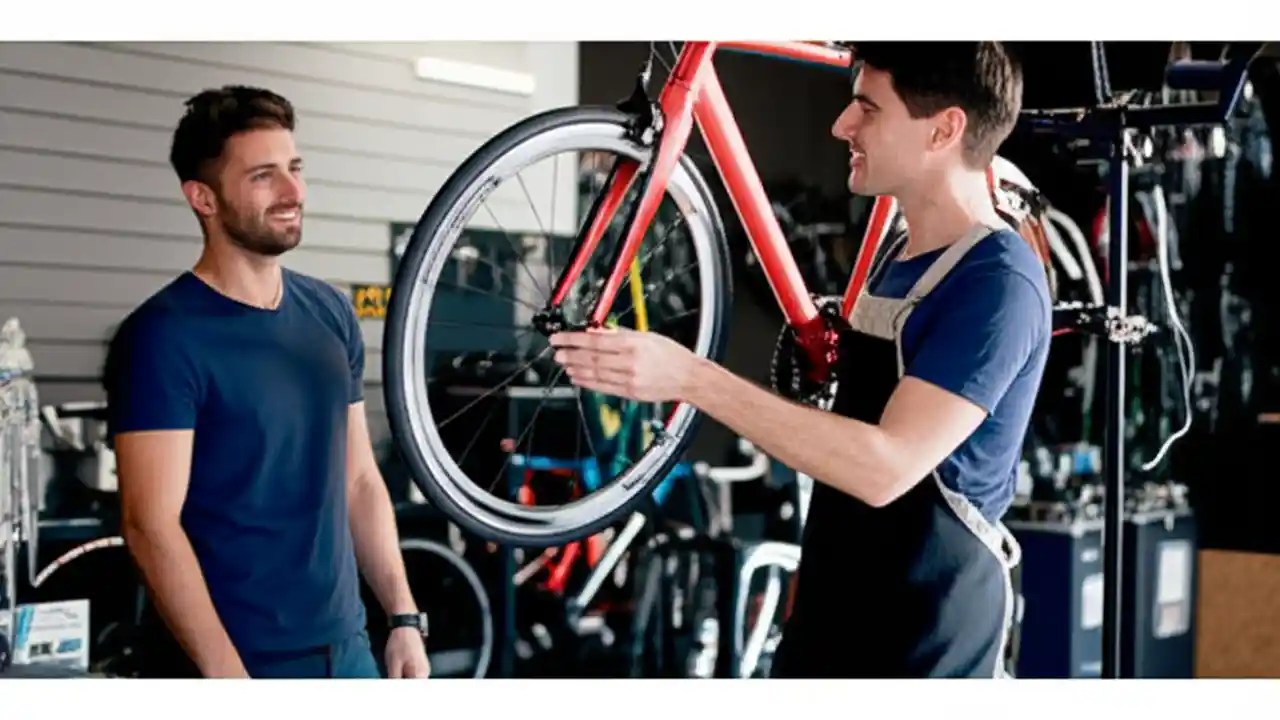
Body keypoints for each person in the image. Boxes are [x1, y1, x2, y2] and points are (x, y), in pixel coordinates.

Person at [549, 42, 1050, 678]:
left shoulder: (997, 282)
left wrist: (692, 378)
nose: (842, 125)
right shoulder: (893, 258)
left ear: (944, 129)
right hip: (831, 623)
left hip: (924, 651)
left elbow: (886, 466)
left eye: (868, 108)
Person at [103, 85, 430, 679]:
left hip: (347, 650)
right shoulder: (162, 337)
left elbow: (359, 479)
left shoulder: (330, 312)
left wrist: (402, 617)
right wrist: (228, 678)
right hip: (233, 662)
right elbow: (149, 525)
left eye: (295, 168)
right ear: (203, 197)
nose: (293, 192)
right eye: (263, 176)